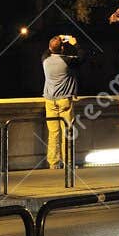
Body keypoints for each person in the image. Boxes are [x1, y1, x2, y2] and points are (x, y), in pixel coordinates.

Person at [41, 36, 78, 169]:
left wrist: (57, 41)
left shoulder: (45, 60)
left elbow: (48, 50)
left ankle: (53, 163)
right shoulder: (67, 60)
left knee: (53, 133)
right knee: (66, 132)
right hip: (64, 100)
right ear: (62, 48)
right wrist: (74, 43)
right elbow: (82, 57)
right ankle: (68, 162)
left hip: (49, 100)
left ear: (50, 48)